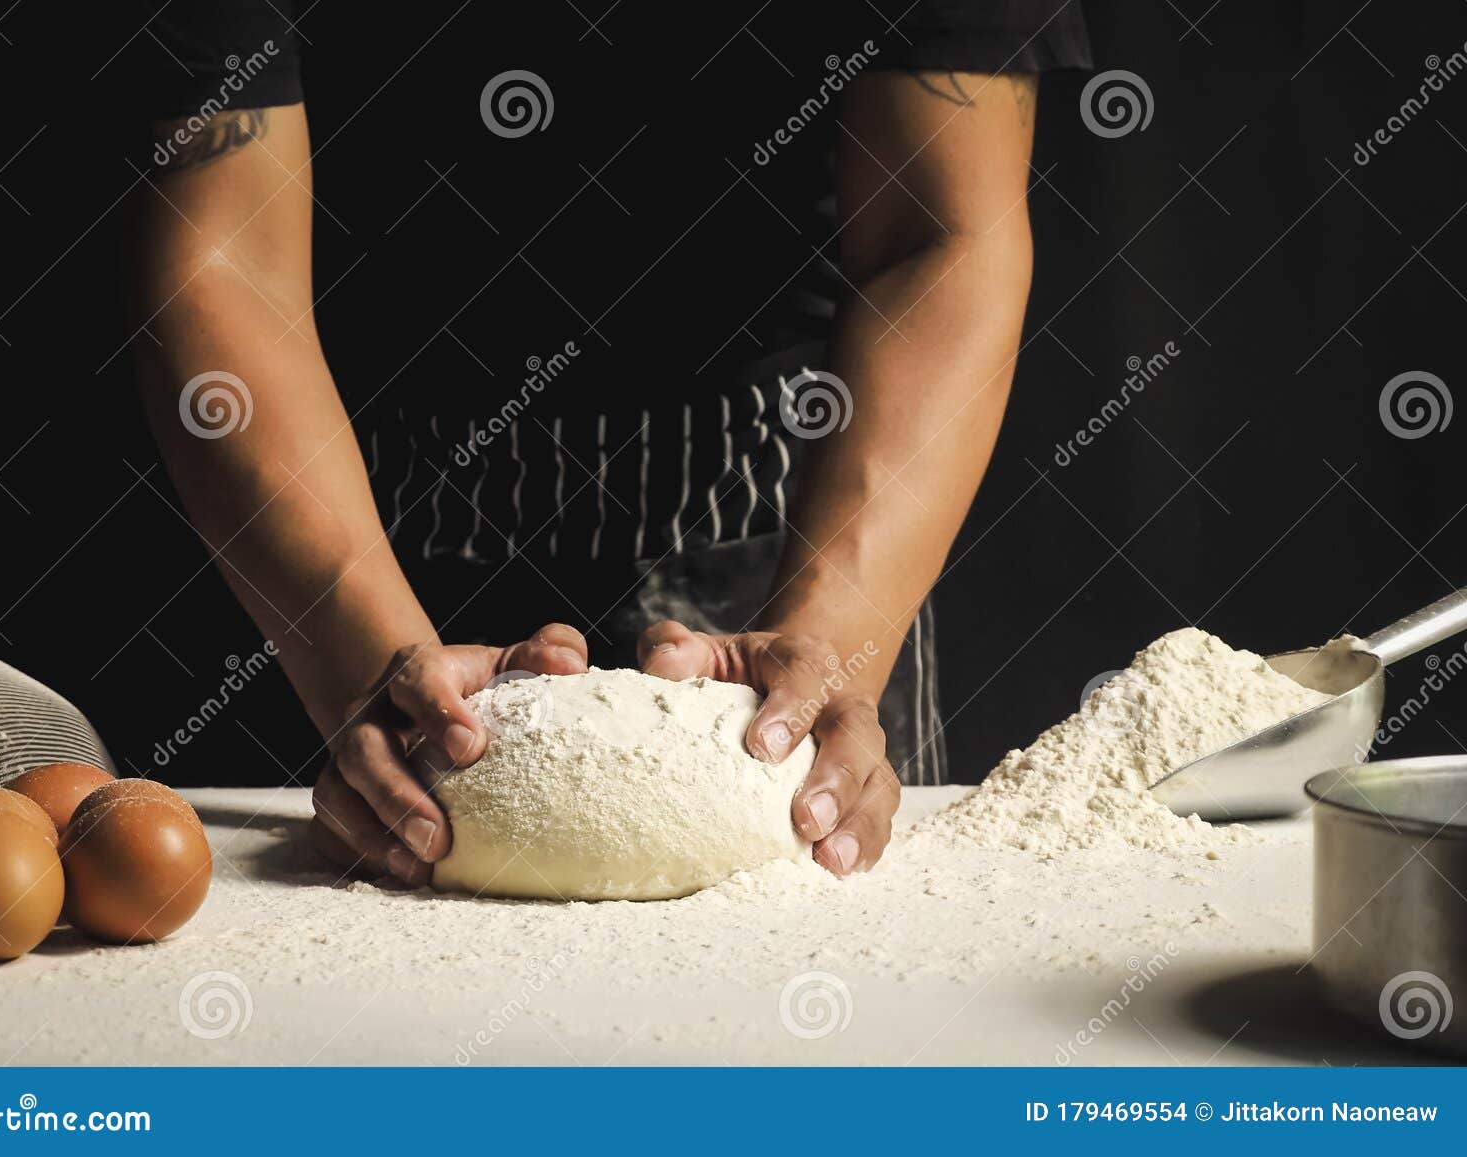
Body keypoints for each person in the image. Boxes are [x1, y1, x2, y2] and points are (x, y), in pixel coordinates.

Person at [129, 2, 1090, 886]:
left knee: (800, 1009)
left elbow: (939, 230)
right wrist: (358, 651)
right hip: (349, 519)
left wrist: (831, 644)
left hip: (795, 509)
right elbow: (228, 255)